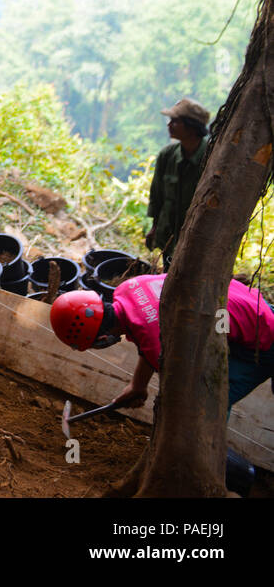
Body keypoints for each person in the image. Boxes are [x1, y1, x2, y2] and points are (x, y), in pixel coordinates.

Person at [50, 275, 274, 412]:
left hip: (262, 340)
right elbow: (148, 336)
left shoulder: (156, 340)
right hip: (251, 306)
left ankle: (209, 470)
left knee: (205, 401)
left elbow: (182, 383)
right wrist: (138, 386)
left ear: (101, 340)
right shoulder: (128, 288)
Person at [146, 98, 210, 265]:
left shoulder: (211, 158)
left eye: (175, 122)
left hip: (196, 240)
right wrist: (154, 228)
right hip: (168, 235)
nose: (169, 125)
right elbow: (157, 195)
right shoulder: (167, 156)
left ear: (192, 127)